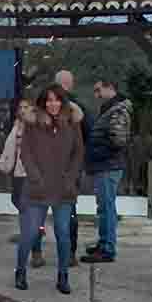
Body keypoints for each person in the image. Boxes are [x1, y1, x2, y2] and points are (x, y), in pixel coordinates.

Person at [15, 84, 84, 295]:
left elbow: (78, 153)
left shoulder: (72, 124)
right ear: (43, 102)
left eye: (57, 100)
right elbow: (25, 152)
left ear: (63, 102)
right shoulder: (34, 123)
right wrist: (35, 177)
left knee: (63, 234)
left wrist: (70, 178)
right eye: (48, 100)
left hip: (63, 189)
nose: (52, 104)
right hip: (38, 188)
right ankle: (20, 271)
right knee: (29, 233)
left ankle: (63, 276)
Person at [82, 80, 133, 264]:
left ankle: (107, 248)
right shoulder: (111, 108)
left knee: (107, 208)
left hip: (108, 166)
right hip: (105, 165)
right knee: (104, 207)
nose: (96, 95)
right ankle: (104, 243)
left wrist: (97, 152)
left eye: (98, 90)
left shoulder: (118, 110)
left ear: (110, 87)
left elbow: (118, 140)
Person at [0, 97, 45, 266]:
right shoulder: (17, 125)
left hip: (31, 174)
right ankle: (32, 232)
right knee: (19, 203)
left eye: (26, 107)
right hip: (18, 171)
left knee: (30, 212)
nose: (23, 109)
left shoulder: (37, 125)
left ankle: (36, 250)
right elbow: (9, 147)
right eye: (21, 107)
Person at [54, 70, 91, 266]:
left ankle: (36, 251)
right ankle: (69, 253)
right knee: (69, 210)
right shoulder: (79, 107)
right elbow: (88, 133)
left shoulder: (45, 106)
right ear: (71, 83)